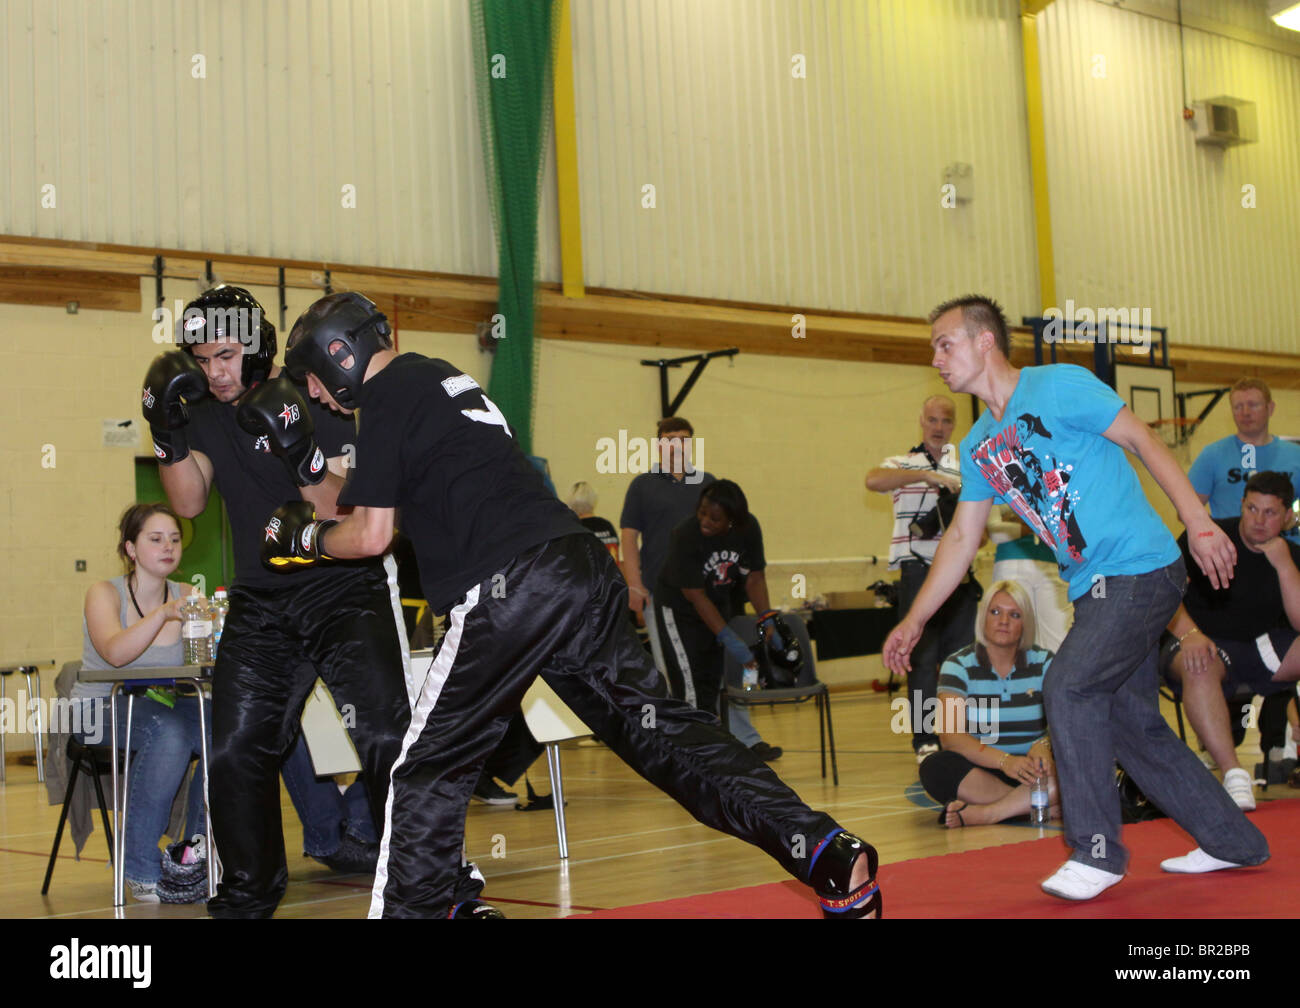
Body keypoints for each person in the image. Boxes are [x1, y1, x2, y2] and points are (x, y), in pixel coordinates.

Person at [267, 291, 881, 919]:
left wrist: (304, 541)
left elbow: (370, 536)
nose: (315, 395)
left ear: (340, 355)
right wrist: (306, 468)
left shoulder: (388, 395)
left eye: (314, 380)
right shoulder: (437, 379)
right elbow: (365, 505)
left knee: (425, 770)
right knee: (661, 735)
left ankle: (429, 912)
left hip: (512, 586)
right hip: (575, 567)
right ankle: (823, 850)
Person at [884, 294, 1268, 902]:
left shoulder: (1058, 385)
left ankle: (1097, 851)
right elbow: (962, 537)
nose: (935, 356)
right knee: (1133, 724)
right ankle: (1234, 841)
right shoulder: (982, 443)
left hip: (1143, 569)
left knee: (1068, 686)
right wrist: (913, 619)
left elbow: (1142, 439)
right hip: (1094, 589)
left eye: (944, 342)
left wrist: (1196, 520)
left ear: (985, 342)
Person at [140, 284, 481, 918]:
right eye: (202, 357)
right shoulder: (206, 407)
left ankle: (442, 886)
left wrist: (301, 451)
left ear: (258, 344)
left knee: (383, 734)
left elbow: (349, 510)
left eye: (226, 355)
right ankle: (247, 895)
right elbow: (187, 503)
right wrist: (167, 433)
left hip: (342, 587)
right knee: (237, 747)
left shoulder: (321, 390)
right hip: (260, 598)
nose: (214, 371)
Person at [76, 503, 210, 903]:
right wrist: (164, 614)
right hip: (99, 710)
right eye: (155, 539)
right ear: (131, 549)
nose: (168, 547)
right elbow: (116, 654)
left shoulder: (188, 594)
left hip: (162, 705)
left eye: (174, 539)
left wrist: (213, 630)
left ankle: (193, 857)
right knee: (168, 733)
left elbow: (202, 666)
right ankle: (138, 866)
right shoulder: (104, 592)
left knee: (224, 726)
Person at [1163, 471, 1300, 811]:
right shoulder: (1206, 535)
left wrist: (1284, 566)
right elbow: (1164, 592)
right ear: (1242, 504)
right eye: (1252, 509)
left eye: (1270, 513)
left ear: (1286, 517)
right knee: (1201, 664)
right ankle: (1234, 774)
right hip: (1199, 641)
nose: (1258, 520)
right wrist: (1189, 633)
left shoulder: (1290, 552)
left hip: (1260, 651)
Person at [866, 395, 979, 761]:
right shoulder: (902, 462)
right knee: (921, 656)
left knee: (959, 659)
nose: (938, 427)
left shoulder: (965, 467)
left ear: (953, 424)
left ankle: (954, 736)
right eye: (932, 420)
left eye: (946, 421)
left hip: (959, 574)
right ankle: (924, 738)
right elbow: (873, 480)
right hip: (917, 569)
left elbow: (980, 527)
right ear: (921, 420)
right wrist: (926, 476)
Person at [654, 480, 784, 761]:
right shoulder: (685, 534)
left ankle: (724, 744)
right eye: (702, 512)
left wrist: (767, 618)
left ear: (732, 521)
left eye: (715, 518)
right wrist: (728, 637)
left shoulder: (748, 529)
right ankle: (692, 754)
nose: (705, 521)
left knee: (714, 679)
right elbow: (694, 594)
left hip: (717, 602)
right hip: (679, 609)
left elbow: (755, 577)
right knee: (689, 681)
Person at [919, 580, 1057, 828]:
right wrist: (1005, 762)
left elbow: (1067, 723)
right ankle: (1041, 806)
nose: (1003, 621)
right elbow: (951, 737)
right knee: (935, 767)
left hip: (1037, 770)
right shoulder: (957, 665)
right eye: (995, 612)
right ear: (983, 617)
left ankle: (989, 813)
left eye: (1014, 615)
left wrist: (1044, 745)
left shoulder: (1046, 663)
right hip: (986, 770)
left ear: (1025, 624)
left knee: (1079, 766)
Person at [1188, 378, 1300, 540]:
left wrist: (1294, 519)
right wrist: (1216, 533)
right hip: (1232, 555)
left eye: (1253, 405)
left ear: (1270, 408)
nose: (1245, 412)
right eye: (1238, 406)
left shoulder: (1295, 455)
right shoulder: (1213, 455)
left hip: (1287, 553)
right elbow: (1186, 509)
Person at [986, 506, 1071, 652]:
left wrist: (1021, 520)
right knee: (1011, 640)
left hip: (1054, 564)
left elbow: (1067, 524)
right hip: (1012, 564)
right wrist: (1040, 524)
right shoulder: (998, 484)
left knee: (1059, 641)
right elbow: (996, 531)